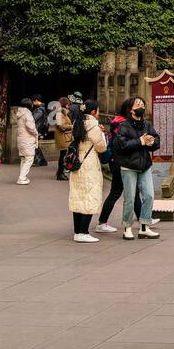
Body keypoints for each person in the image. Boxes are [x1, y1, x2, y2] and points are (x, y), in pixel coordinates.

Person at [111, 96, 161, 240]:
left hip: (144, 164)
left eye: (143, 104)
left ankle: (145, 226)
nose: (141, 107)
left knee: (149, 196)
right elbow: (122, 145)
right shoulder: (124, 126)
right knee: (130, 198)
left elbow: (157, 139)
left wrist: (151, 141)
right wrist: (140, 141)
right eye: (138, 105)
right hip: (128, 166)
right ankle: (127, 227)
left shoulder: (147, 125)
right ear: (130, 110)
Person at [94, 105, 142, 231]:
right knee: (116, 192)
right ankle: (101, 222)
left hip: (119, 161)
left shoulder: (118, 122)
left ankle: (143, 217)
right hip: (120, 162)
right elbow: (122, 145)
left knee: (134, 191)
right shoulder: (122, 124)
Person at [66, 97, 107, 242]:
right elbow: (102, 147)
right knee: (90, 196)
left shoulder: (77, 123)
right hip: (89, 163)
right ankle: (83, 232)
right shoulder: (94, 126)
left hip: (78, 162)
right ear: (94, 112)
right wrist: (102, 133)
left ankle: (77, 231)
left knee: (78, 197)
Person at [15, 98, 38, 185]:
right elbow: (30, 127)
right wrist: (36, 133)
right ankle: (22, 178)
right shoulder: (27, 113)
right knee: (29, 158)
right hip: (27, 139)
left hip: (21, 138)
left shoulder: (20, 113)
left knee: (24, 159)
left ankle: (21, 177)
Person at [51, 96, 73, 180]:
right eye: (68, 104)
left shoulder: (62, 112)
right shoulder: (60, 113)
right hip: (63, 137)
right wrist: (72, 126)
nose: (69, 106)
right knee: (63, 156)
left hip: (65, 137)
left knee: (63, 156)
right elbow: (61, 125)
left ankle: (60, 172)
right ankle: (60, 174)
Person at [31, 95, 48, 166]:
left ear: (36, 101)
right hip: (39, 130)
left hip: (37, 130)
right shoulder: (41, 109)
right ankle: (42, 161)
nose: (32, 103)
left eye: (33, 102)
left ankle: (39, 160)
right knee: (35, 145)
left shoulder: (39, 110)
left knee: (34, 146)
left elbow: (33, 119)